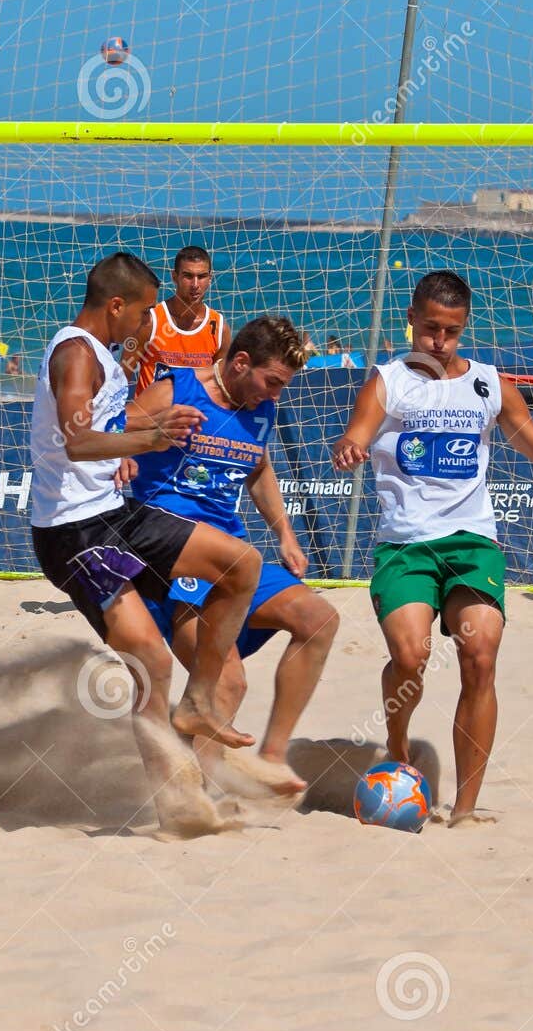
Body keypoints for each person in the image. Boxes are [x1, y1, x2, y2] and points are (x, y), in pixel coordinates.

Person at [332, 271, 533, 825]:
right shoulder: (388, 381)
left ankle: (465, 809)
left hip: (472, 541)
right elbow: (360, 429)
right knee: (410, 656)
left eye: (449, 331)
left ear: (464, 327)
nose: (438, 342)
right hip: (406, 544)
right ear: (412, 320)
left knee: (480, 656)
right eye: (428, 329)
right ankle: (398, 753)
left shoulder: (490, 385)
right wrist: (352, 445)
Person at [30, 252, 274, 835]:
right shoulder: (75, 354)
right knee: (152, 662)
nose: (146, 325)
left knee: (242, 565)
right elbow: (77, 442)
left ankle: (199, 703)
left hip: (115, 514)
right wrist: (149, 437)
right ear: (116, 305)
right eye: (141, 313)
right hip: (72, 533)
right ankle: (174, 801)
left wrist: (145, 437)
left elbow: (104, 435)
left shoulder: (106, 357)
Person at [128, 316, 335, 797]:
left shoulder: (259, 407)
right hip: (175, 552)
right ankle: (191, 793)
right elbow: (114, 429)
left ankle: (272, 757)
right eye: (273, 382)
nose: (276, 395)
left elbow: (258, 465)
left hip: (235, 554)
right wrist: (144, 435)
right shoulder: (177, 388)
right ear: (240, 362)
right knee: (228, 682)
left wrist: (284, 531)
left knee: (317, 620)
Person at [132, 245, 230, 394]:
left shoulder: (219, 329)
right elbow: (122, 374)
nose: (195, 285)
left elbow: (220, 386)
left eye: (202, 276)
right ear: (174, 277)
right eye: (188, 276)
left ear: (210, 279)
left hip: (197, 416)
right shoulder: (150, 321)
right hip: (153, 415)